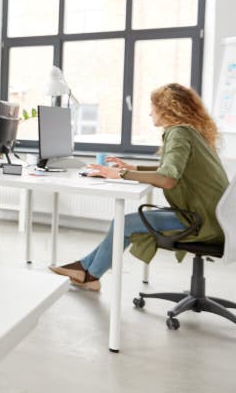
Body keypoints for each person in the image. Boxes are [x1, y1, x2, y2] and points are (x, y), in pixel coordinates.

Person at [50, 83, 228, 291]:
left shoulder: (178, 133)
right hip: (215, 218)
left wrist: (121, 174)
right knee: (126, 223)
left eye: (153, 107)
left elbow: (168, 178)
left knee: (125, 224)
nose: (150, 113)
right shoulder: (191, 132)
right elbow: (175, 167)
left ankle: (89, 274)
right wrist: (134, 168)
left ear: (166, 108)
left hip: (201, 223)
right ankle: (86, 272)